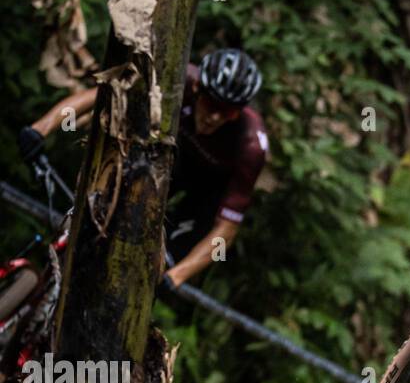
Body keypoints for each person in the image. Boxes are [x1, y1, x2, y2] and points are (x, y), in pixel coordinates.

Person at [18, 48, 268, 291]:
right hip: (162, 162)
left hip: (205, 191)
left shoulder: (250, 145)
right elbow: (100, 95)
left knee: (151, 267)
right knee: (101, 212)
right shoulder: (176, 82)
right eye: (212, 103)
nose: (215, 116)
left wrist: (176, 276)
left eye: (228, 111)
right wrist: (40, 129)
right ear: (197, 88)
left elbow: (225, 231)